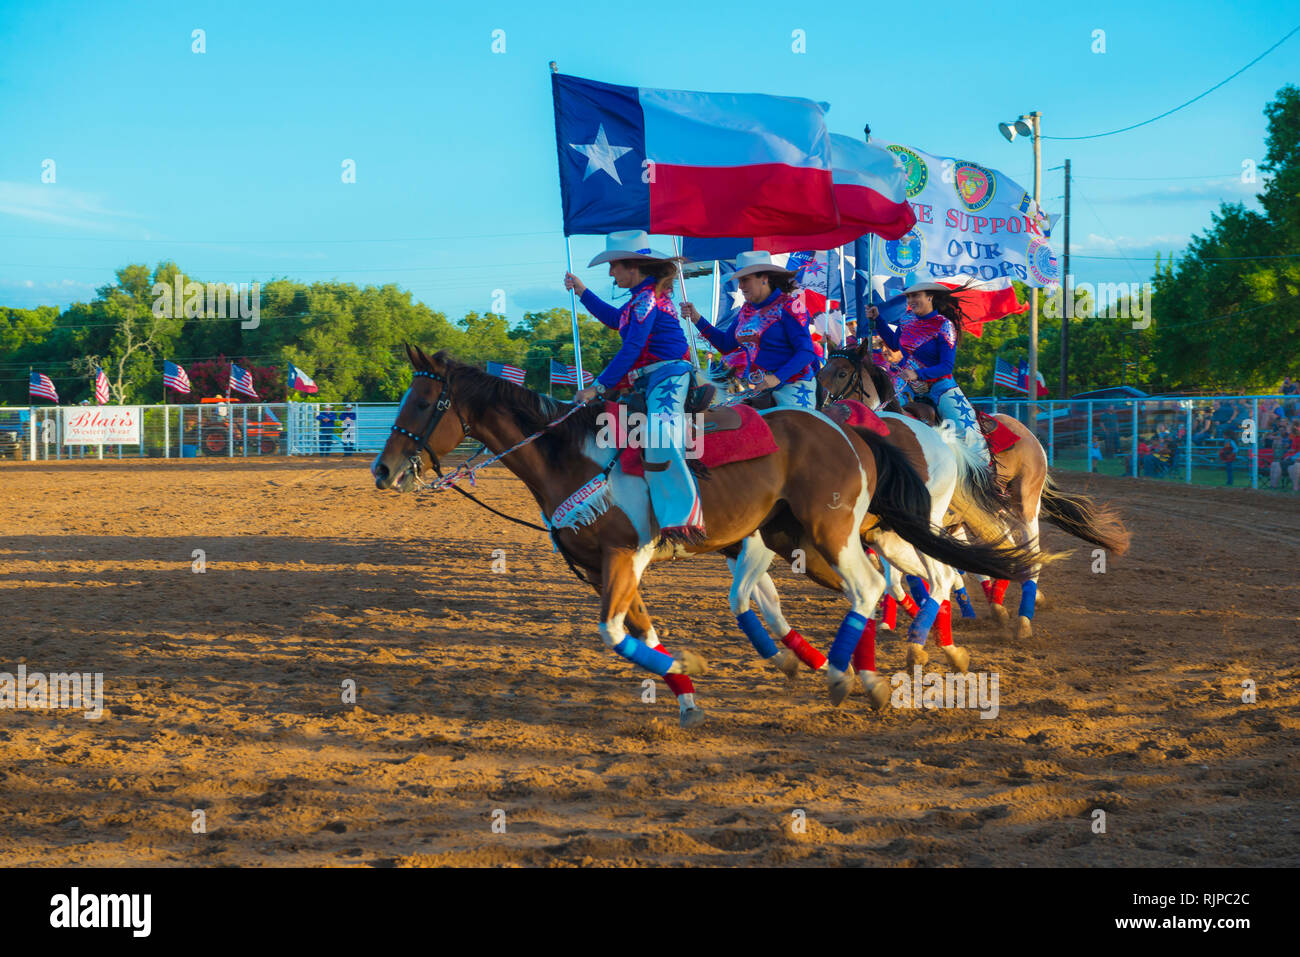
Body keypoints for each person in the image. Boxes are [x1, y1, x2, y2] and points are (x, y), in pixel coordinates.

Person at [564, 230, 703, 543]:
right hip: (644, 380)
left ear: (633, 267)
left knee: (659, 431)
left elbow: (631, 347)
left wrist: (597, 387)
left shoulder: (647, 299)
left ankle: (683, 517)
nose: (611, 272)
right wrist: (582, 292)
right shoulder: (639, 301)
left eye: (614, 265)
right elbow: (616, 320)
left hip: (668, 375)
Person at [865, 280, 989, 465]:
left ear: (930, 297)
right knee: (879, 416)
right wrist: (878, 320)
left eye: (915, 295)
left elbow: (946, 366)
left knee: (969, 431)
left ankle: (985, 472)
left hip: (940, 386)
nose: (911, 300)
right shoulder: (906, 320)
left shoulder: (944, 326)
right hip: (906, 385)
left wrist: (918, 375)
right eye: (908, 296)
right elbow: (893, 343)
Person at [681, 251, 819, 410]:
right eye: (739, 280)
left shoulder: (791, 306)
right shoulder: (745, 311)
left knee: (790, 429)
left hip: (793, 385)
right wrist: (697, 318)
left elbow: (806, 352)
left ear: (764, 278)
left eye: (745, 280)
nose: (740, 286)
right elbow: (726, 345)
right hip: (757, 388)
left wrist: (776, 378)